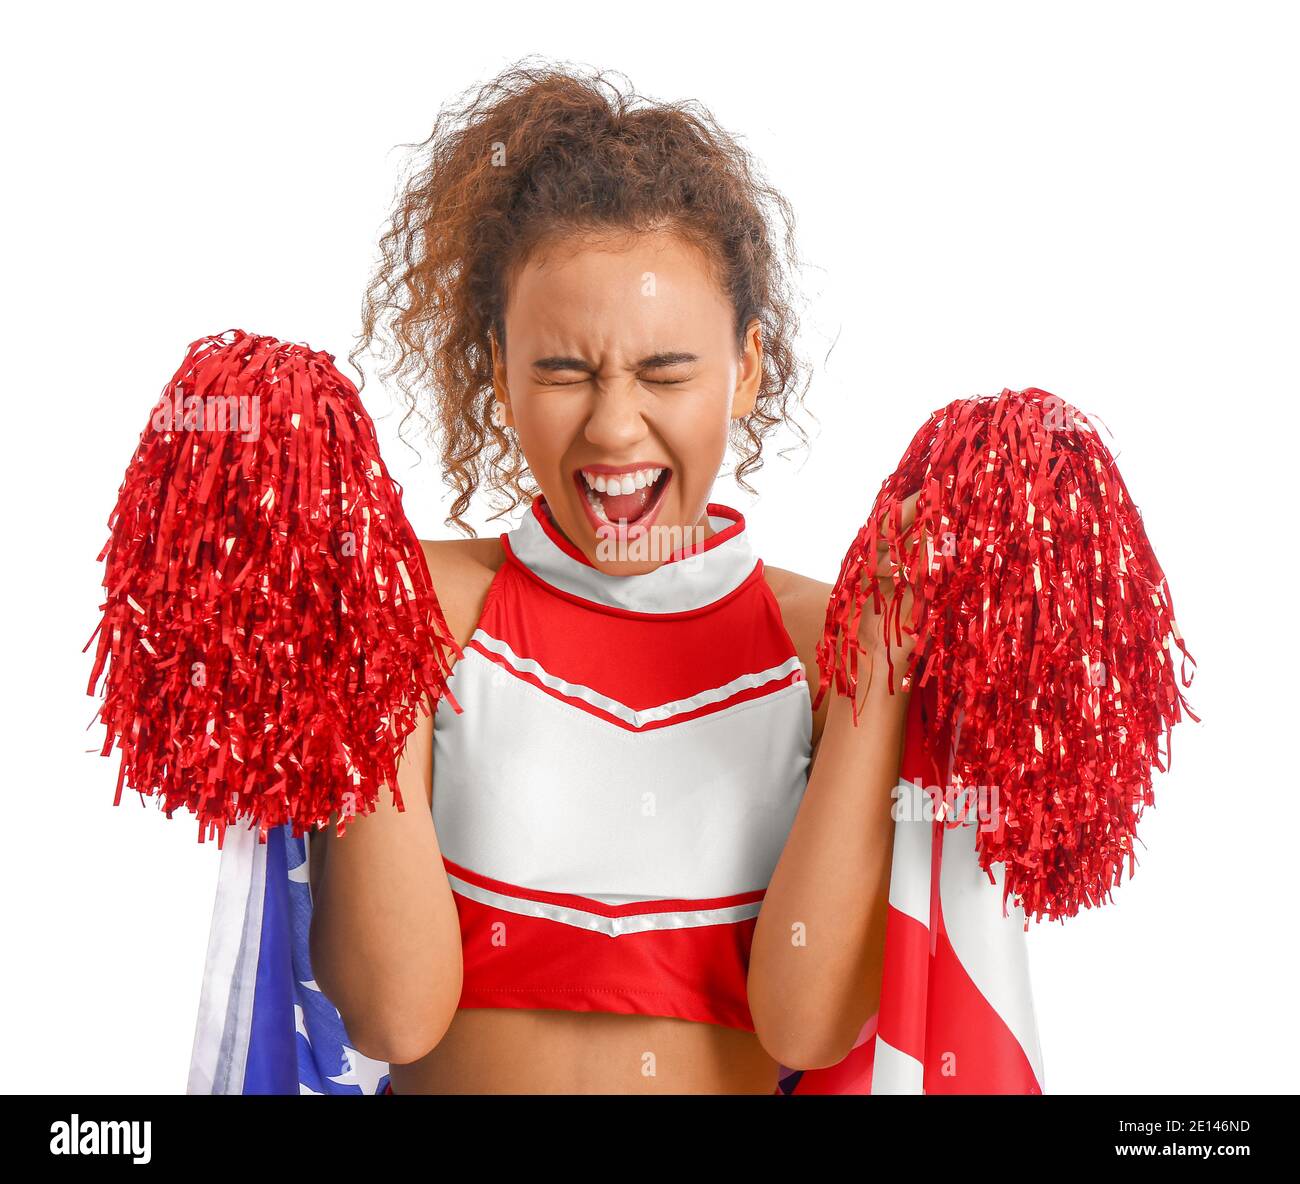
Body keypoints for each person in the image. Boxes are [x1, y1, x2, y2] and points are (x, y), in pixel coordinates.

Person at [187, 61, 1042, 1096]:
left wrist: (879, 672)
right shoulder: (418, 601)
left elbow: (809, 1022)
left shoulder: (832, 638)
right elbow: (391, 1008)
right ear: (497, 369)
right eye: (563, 369)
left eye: (666, 371)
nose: (612, 424)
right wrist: (364, 619)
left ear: (749, 365)